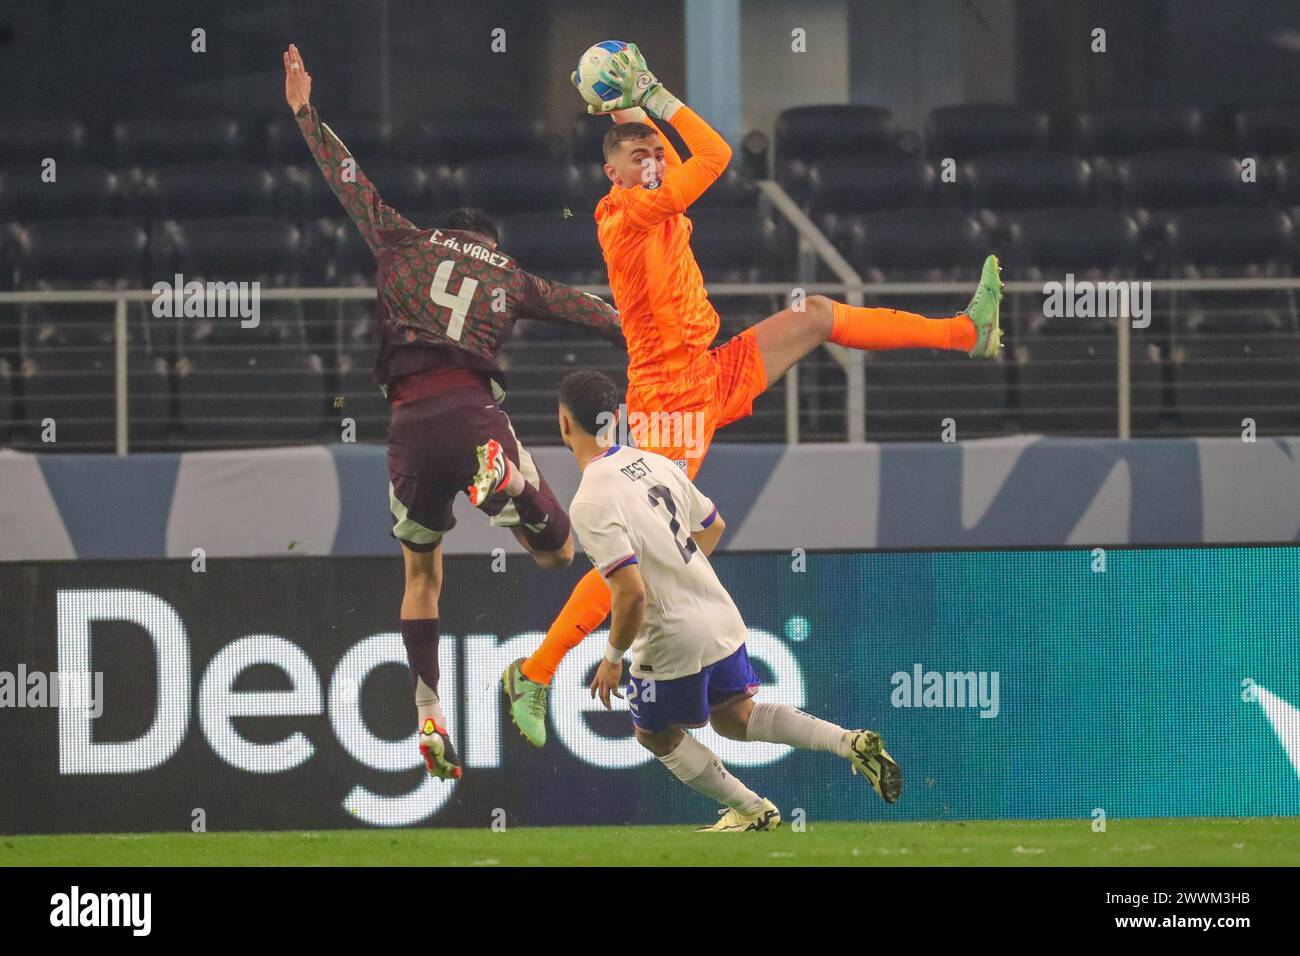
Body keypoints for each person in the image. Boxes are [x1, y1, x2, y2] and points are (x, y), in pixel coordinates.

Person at [505, 43, 1002, 744]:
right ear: (610, 171)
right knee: (641, 553)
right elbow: (714, 156)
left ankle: (966, 333)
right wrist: (653, 97)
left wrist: (632, 105)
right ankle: (537, 671)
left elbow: (685, 154)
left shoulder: (653, 185)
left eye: (655, 151)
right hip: (669, 400)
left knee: (818, 316)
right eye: (636, 154)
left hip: (708, 369)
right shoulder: (629, 215)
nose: (652, 157)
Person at [283, 44, 625, 779]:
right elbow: (587, 311)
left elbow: (351, 183)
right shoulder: (510, 273)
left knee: (421, 577)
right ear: (488, 244)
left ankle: (427, 711)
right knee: (558, 552)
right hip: (475, 418)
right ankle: (501, 482)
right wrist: (652, 321)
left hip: (408, 427)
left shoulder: (401, 242)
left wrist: (305, 112)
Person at [558, 369, 901, 830]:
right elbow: (714, 525)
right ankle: (849, 742)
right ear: (617, 418)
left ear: (564, 423)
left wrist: (613, 657)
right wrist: (682, 574)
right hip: (719, 614)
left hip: (671, 637)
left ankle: (753, 809)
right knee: (737, 717)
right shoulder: (655, 463)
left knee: (653, 733)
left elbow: (632, 592)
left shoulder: (589, 500)